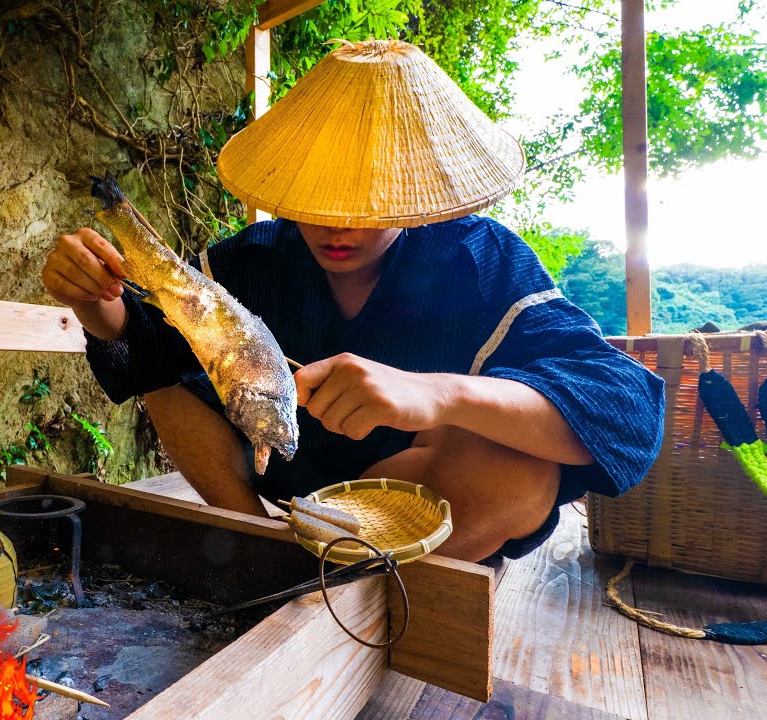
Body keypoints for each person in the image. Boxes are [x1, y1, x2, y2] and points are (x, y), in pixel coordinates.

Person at [41, 39, 665, 563]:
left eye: (365, 199)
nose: (337, 227)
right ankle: (259, 549)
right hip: (280, 487)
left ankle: (375, 582)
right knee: (165, 382)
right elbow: (149, 349)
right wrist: (98, 303)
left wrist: (434, 394)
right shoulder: (251, 260)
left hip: (415, 502)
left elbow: (627, 406)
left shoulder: (478, 259)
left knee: (524, 471)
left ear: (411, 186)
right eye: (318, 197)